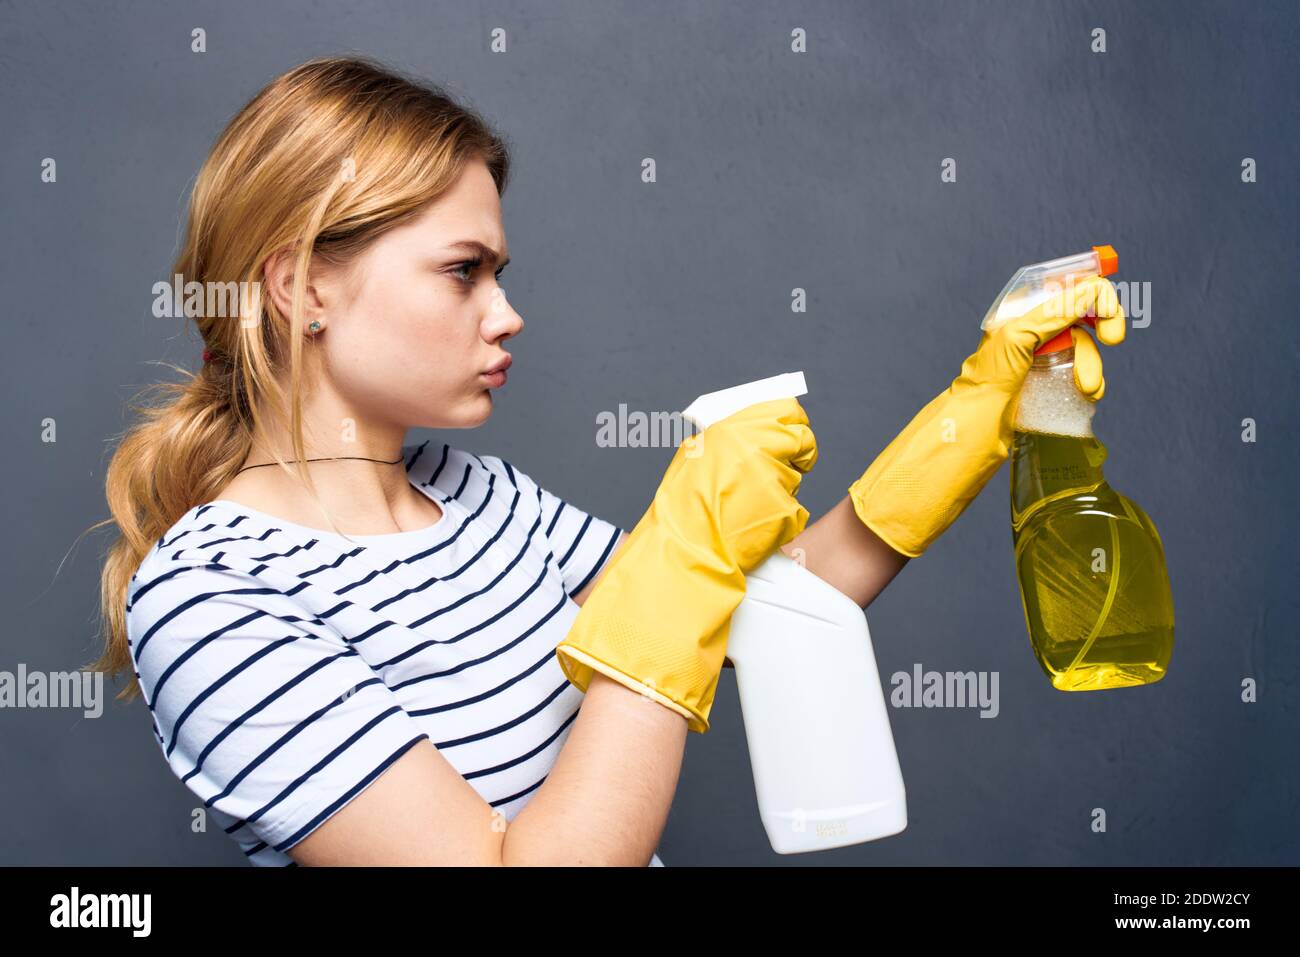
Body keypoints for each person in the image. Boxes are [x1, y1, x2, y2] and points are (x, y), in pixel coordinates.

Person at [91, 56, 1124, 867]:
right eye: (463, 274)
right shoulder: (213, 597)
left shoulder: (479, 497)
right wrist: (680, 558)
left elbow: (749, 625)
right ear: (300, 287)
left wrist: (980, 412)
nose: (507, 315)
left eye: (500, 271)